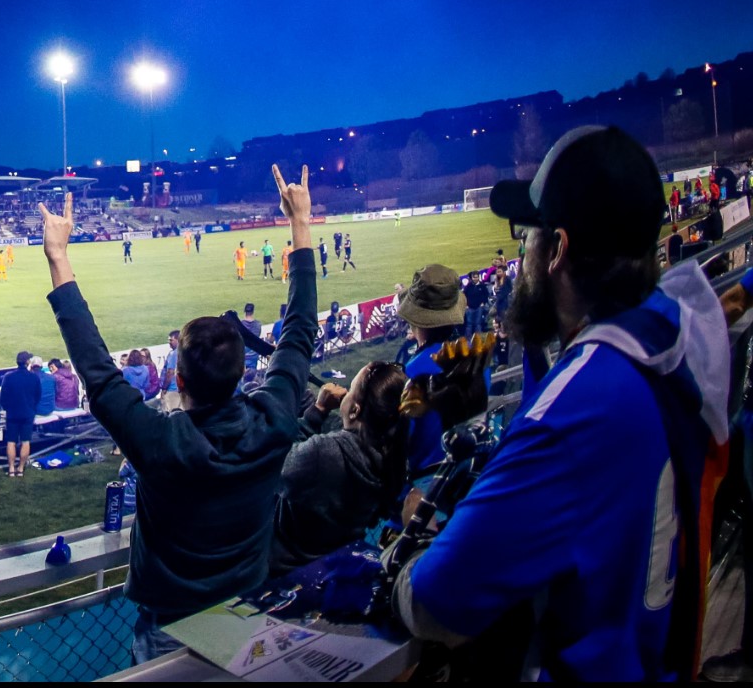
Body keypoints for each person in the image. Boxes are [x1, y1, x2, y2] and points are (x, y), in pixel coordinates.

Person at [393, 127, 730, 680]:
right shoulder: (670, 338)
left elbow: (436, 602)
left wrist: (410, 551)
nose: (523, 251)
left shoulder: (576, 410)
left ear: (559, 250)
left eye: (528, 234)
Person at [40, 171, 322, 664]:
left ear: (180, 380)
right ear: (241, 374)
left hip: (169, 627)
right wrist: (301, 222)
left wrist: (58, 257)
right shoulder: (274, 420)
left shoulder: (158, 440)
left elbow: (97, 372)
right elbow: (298, 334)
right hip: (249, 614)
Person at [267, 360, 409, 577]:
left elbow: (273, 464)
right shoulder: (393, 458)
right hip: (335, 563)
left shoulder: (323, 453)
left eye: (350, 389)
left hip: (286, 568)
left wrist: (317, 411)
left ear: (355, 410)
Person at [395, 266, 472, 479]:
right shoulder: (475, 355)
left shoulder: (412, 372)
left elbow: (400, 442)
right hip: (470, 471)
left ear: (415, 319)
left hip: (428, 480)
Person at [0, 351, 41, 477]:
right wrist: (31, 408)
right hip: (28, 413)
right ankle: (21, 468)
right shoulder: (34, 377)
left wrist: (7, 408)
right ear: (27, 362)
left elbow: (3, 397)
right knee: (25, 441)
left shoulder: (8, 377)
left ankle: (11, 469)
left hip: (13, 413)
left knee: (11, 441)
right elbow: (38, 396)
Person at [160, 330, 183, 411]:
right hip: (182, 389)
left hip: (172, 390)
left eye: (171, 340)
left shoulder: (173, 354)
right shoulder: (185, 352)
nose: (169, 342)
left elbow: (170, 373)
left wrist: (164, 389)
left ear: (178, 340)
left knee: (171, 414)